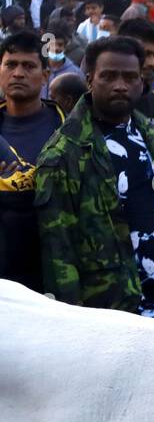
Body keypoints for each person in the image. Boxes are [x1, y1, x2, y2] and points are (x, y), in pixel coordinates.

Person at [33, 36, 154, 320]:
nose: (120, 85)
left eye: (130, 77)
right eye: (108, 76)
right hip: (109, 321)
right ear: (90, 80)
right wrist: (72, 325)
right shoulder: (64, 153)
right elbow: (58, 252)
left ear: (142, 82)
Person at [0, 30, 63, 292]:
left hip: (54, 274)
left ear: (46, 75)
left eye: (28, 66)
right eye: (10, 65)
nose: (18, 73)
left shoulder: (69, 130)